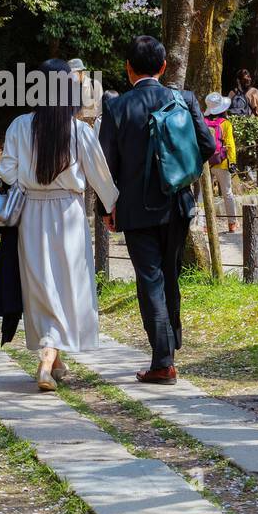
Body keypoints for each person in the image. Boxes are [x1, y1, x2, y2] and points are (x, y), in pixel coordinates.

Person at [97, 36, 215, 385]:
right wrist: (181, 171)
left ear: (128, 68)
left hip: (134, 210)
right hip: (177, 204)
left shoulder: (117, 108)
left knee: (150, 279)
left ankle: (163, 361)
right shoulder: (184, 99)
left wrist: (107, 207)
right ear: (163, 67)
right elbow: (208, 145)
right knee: (170, 274)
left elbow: (105, 165)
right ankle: (170, 342)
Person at [0, 59, 119, 391]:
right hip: (68, 210)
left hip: (31, 212)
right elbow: (101, 176)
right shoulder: (79, 129)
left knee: (41, 286)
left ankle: (54, 357)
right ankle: (48, 357)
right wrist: (112, 207)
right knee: (68, 284)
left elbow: (7, 173)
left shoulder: (19, 126)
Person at [202, 92, 238, 233]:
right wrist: (232, 162)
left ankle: (203, 224)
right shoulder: (226, 124)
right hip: (222, 162)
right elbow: (230, 144)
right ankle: (232, 223)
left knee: (203, 195)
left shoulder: (202, 122)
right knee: (227, 193)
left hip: (205, 163)